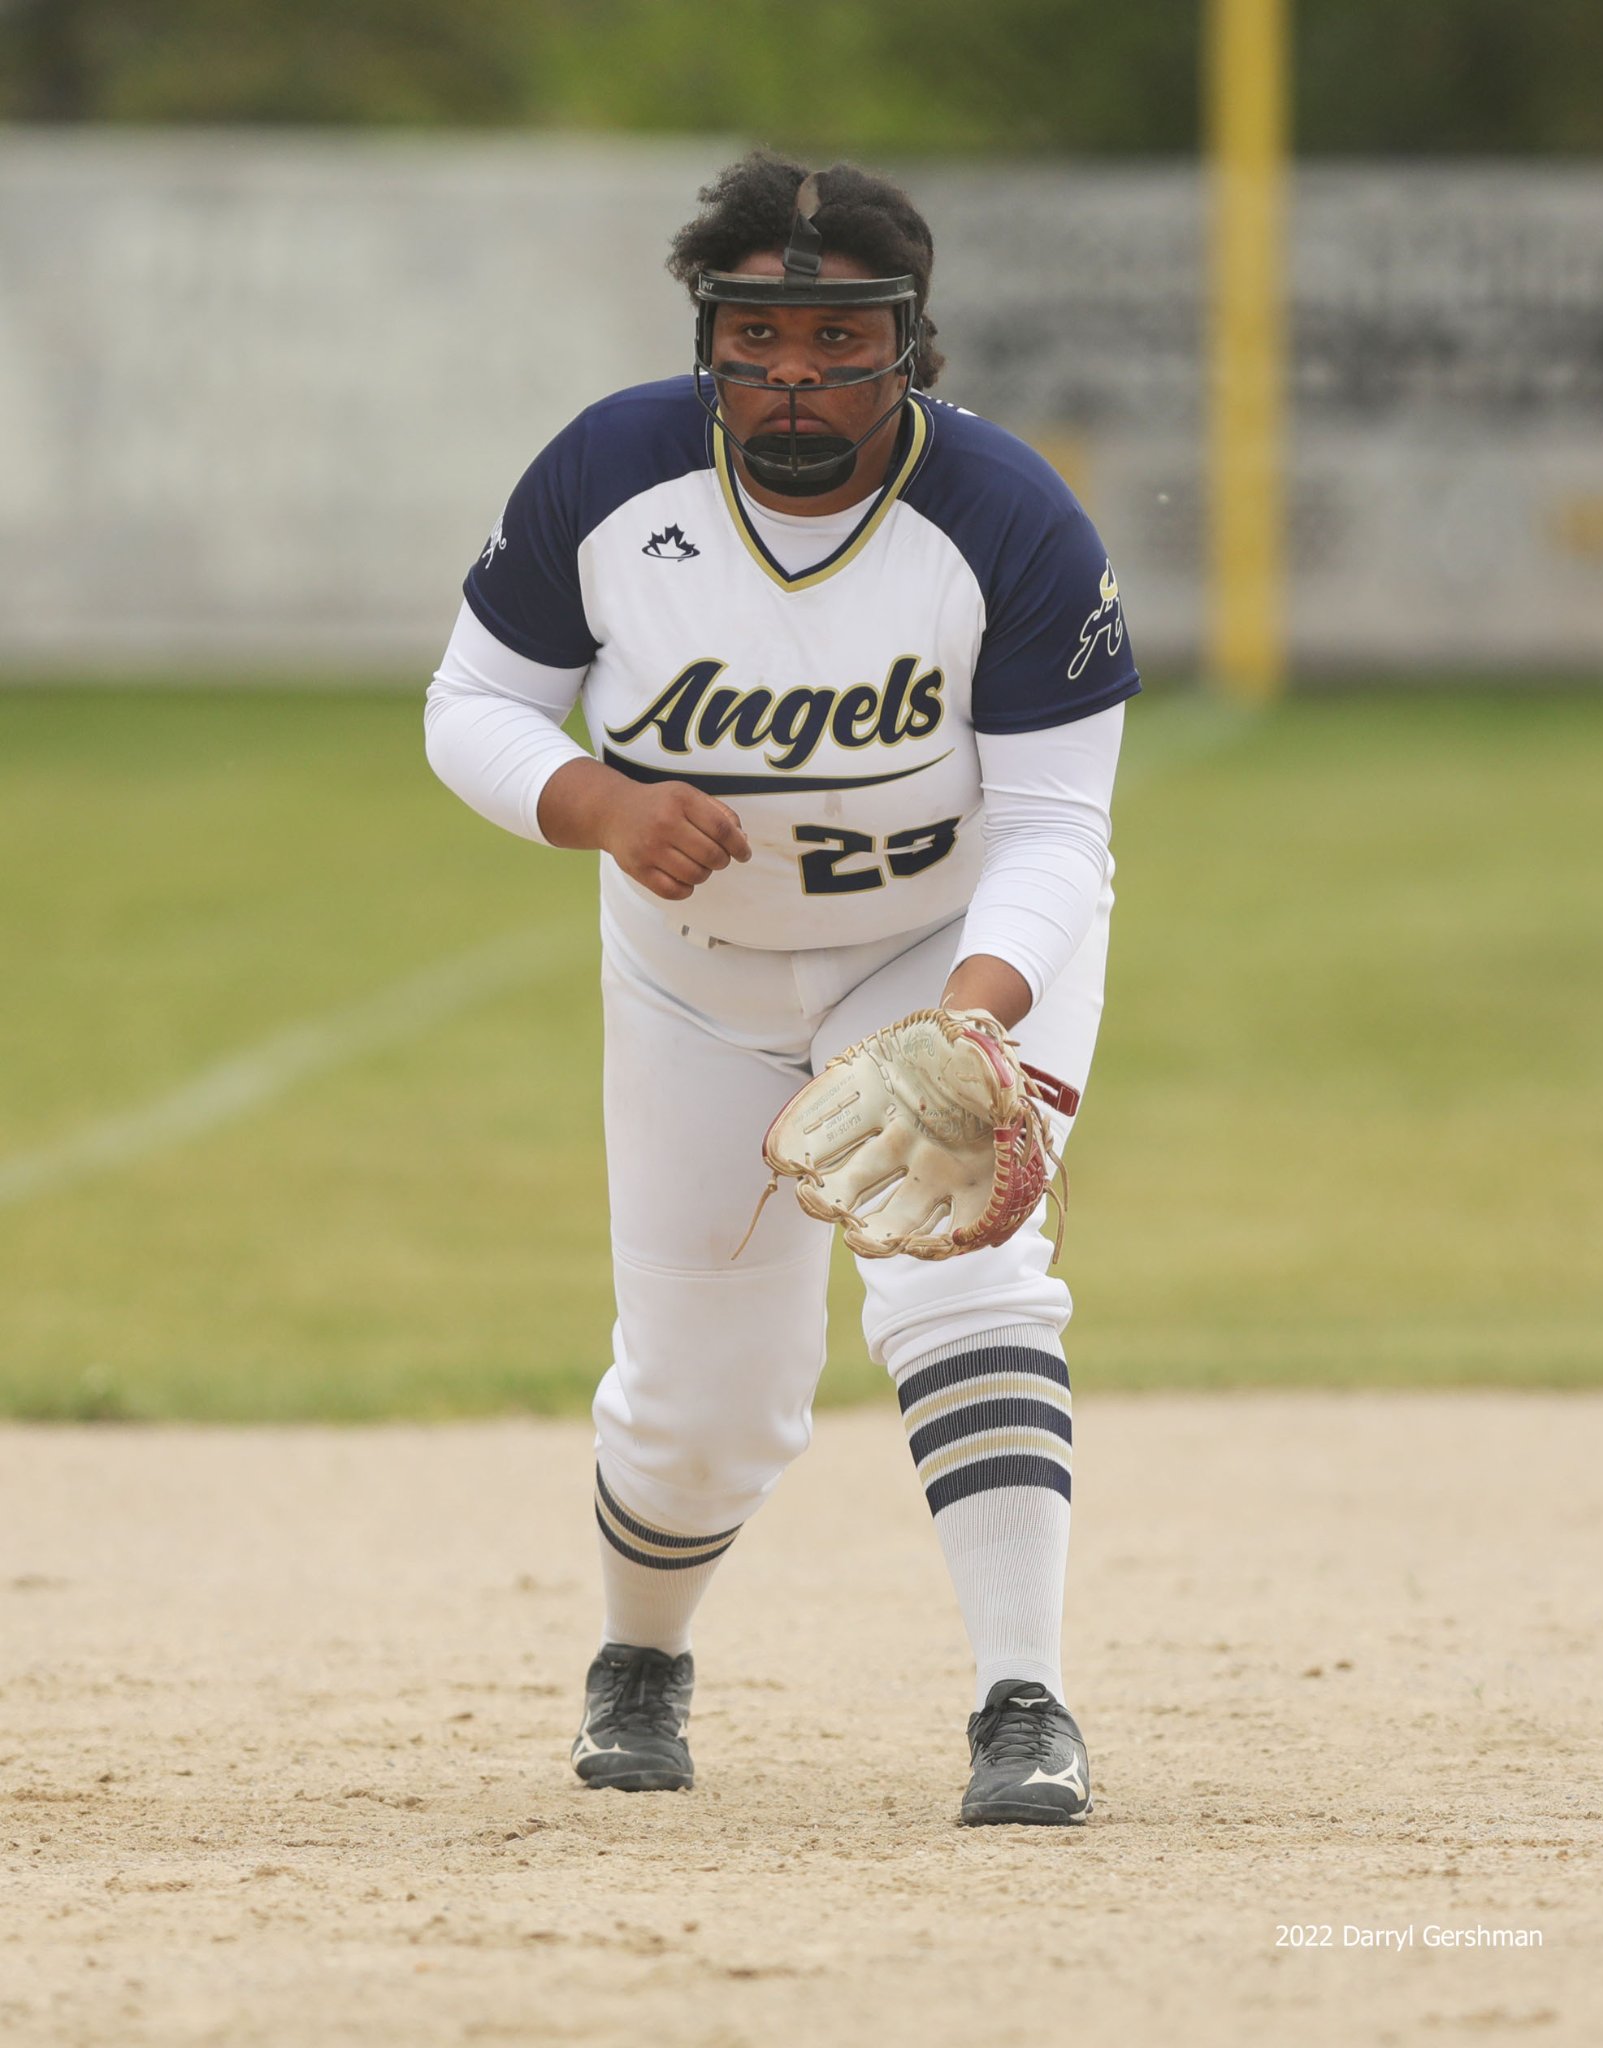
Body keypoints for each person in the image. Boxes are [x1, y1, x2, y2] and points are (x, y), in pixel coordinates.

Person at [425, 151, 1139, 1827]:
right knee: (701, 1404)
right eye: (755, 338)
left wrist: (971, 1014)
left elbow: (1055, 828)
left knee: (968, 1276)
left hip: (941, 948)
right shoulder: (610, 472)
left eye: (837, 340)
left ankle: (1021, 1700)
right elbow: (471, 704)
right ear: (707, 339)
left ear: (908, 343)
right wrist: (592, 801)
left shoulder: (1007, 515)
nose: (793, 375)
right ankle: (641, 1656)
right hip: (694, 976)